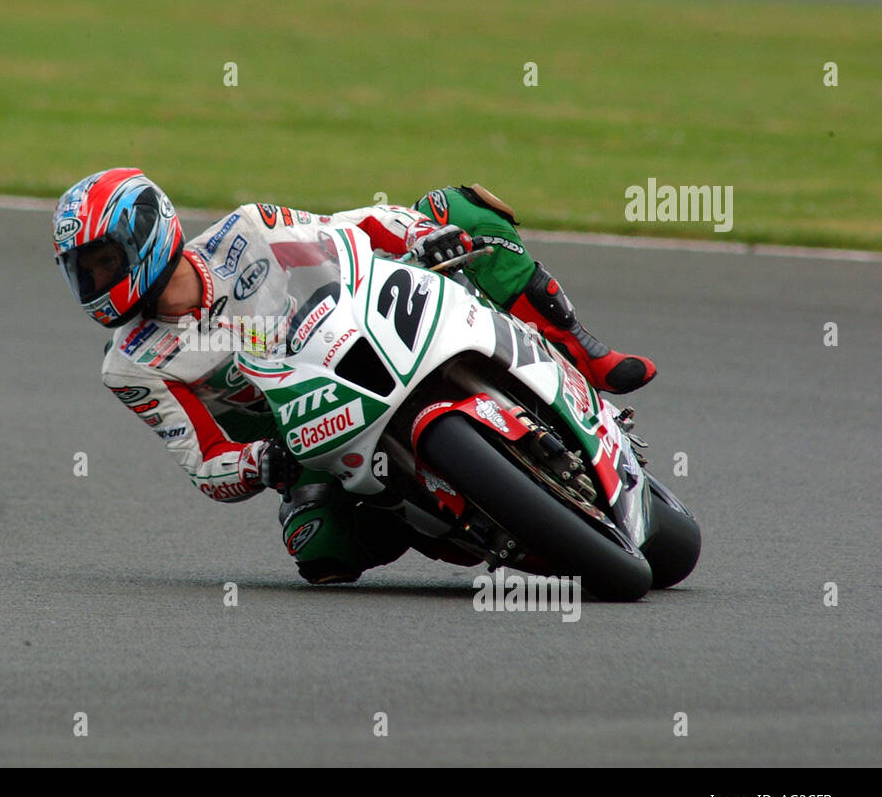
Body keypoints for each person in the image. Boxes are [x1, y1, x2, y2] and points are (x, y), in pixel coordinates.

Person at [53, 168, 656, 584]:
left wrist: (424, 236)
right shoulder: (131, 364)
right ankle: (454, 518)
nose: (95, 282)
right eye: (83, 271)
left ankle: (582, 351)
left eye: (105, 260)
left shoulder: (248, 230)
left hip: (371, 333)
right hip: (307, 439)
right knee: (319, 551)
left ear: (145, 234)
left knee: (456, 206)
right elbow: (204, 461)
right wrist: (262, 464)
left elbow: (350, 230)